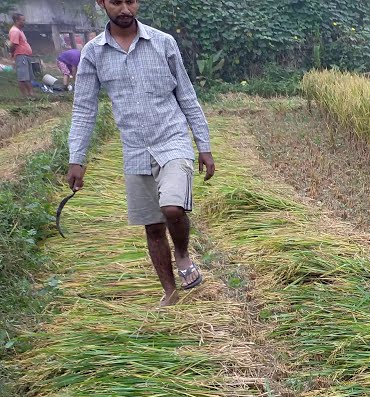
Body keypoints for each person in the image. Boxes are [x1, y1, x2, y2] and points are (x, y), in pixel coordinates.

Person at [67, 0, 215, 307]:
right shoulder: (93, 53)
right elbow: (84, 108)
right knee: (153, 226)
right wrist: (76, 159)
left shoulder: (163, 43)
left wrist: (204, 145)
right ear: (101, 3)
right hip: (134, 149)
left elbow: (187, 95)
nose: (125, 9)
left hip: (171, 139)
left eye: (130, 1)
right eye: (116, 2)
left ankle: (184, 253)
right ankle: (170, 293)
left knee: (173, 208)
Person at [7, 14, 33, 99]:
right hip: (21, 56)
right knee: (23, 76)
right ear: (17, 21)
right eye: (23, 20)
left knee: (28, 76)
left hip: (25, 56)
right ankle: (25, 96)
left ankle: (30, 94)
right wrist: (12, 53)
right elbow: (13, 44)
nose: (24, 22)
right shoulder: (15, 31)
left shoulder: (20, 30)